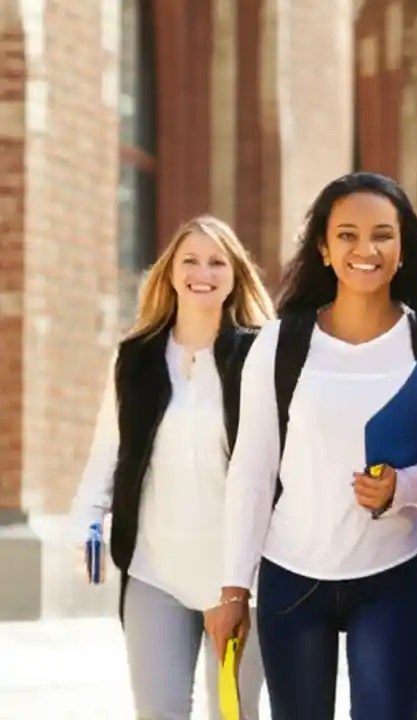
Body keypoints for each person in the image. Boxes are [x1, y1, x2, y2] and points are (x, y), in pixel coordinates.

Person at [205, 172, 417, 719]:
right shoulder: (281, 343)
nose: (365, 249)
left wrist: (405, 486)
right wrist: (234, 590)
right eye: (347, 235)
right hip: (291, 576)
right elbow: (252, 472)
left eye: (382, 234)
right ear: (325, 249)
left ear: (403, 249)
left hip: (392, 576)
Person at [70, 215, 274, 719]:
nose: (202, 272)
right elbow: (110, 451)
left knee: (234, 713)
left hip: (238, 576)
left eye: (216, 261)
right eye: (190, 260)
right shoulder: (135, 359)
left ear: (235, 275)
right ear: (169, 273)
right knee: (158, 712)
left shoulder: (259, 355)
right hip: (154, 568)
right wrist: (88, 522)